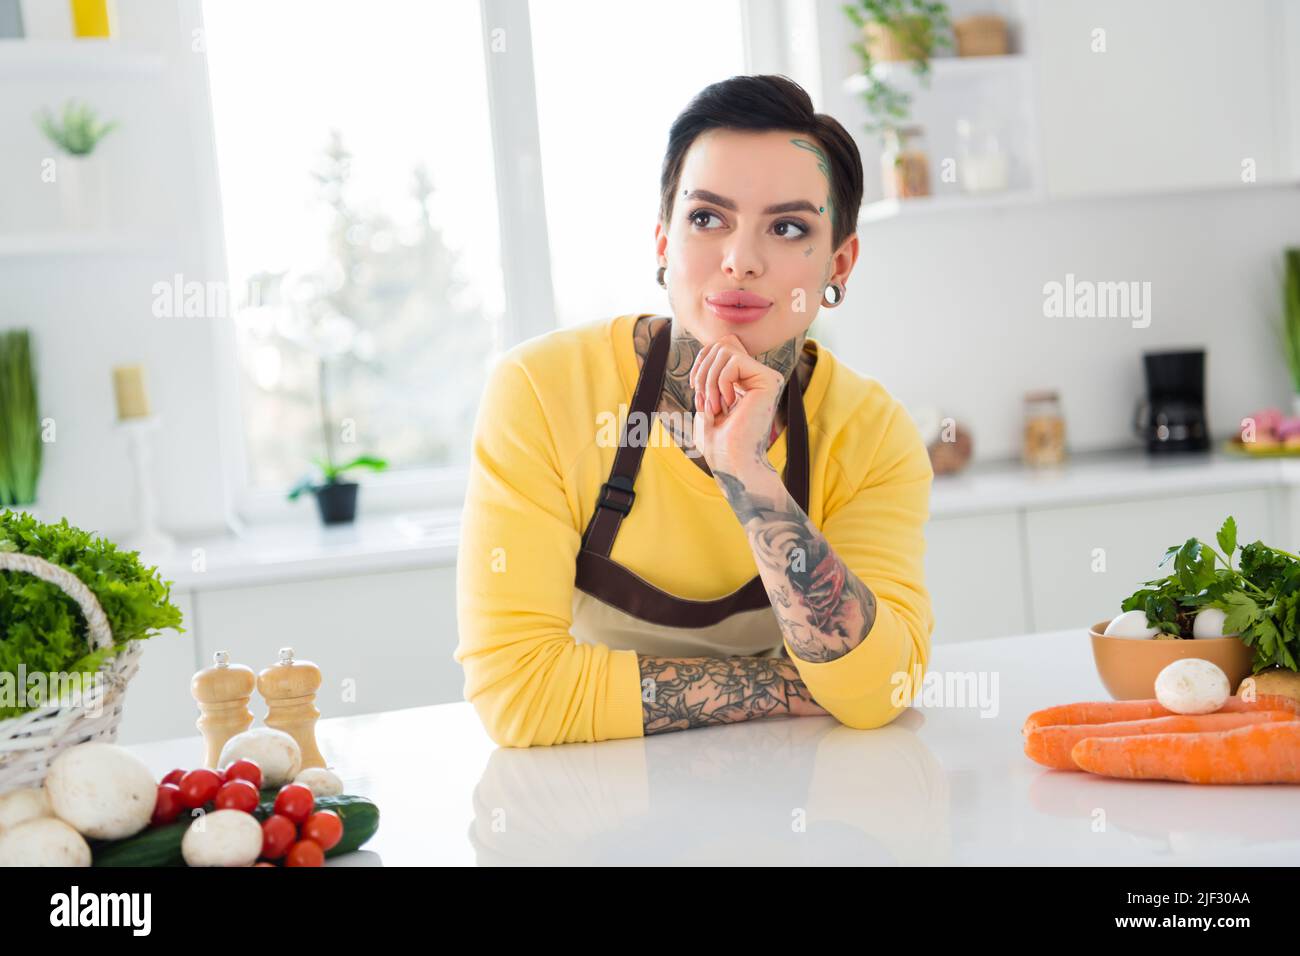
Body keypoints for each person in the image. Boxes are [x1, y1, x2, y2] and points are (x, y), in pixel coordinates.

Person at [454, 74, 934, 747]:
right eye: (707, 218)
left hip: (794, 784)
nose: (740, 261)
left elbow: (881, 692)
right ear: (662, 242)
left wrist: (749, 473)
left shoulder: (871, 433)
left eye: (789, 226)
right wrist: (810, 688)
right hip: (591, 799)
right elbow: (517, 694)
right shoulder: (540, 391)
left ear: (839, 264)